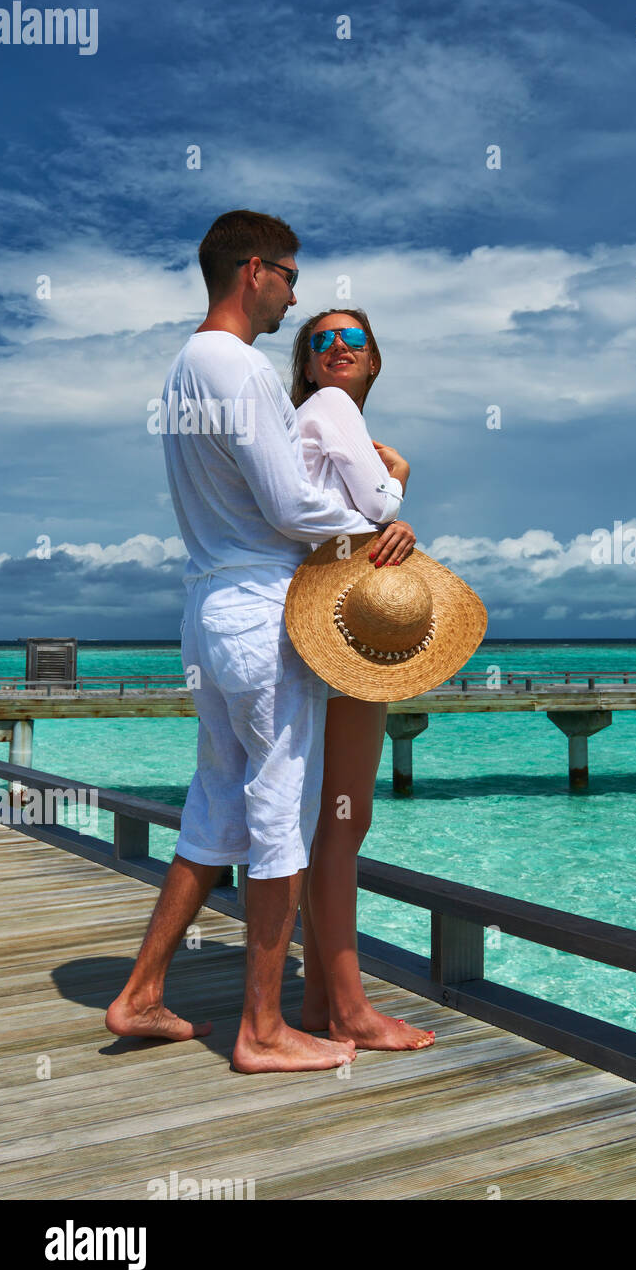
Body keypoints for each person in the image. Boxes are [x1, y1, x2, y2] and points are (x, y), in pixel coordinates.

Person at [105, 210, 412, 1072]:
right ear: (253, 271)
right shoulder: (236, 366)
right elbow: (288, 508)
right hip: (257, 612)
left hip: (206, 606)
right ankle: (264, 1030)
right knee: (284, 812)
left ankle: (140, 995)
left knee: (217, 805)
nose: (294, 293)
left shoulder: (183, 369)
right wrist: (378, 522)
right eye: (290, 276)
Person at [286, 308, 436, 1050]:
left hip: (319, 620)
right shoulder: (334, 408)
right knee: (344, 824)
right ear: (309, 364)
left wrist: (388, 526)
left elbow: (348, 523)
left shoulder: (313, 420)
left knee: (324, 825)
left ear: (376, 359)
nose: (339, 348)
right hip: (339, 633)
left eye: (353, 340)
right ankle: (349, 1009)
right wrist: (399, 486)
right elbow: (374, 506)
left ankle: (320, 1000)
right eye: (323, 341)